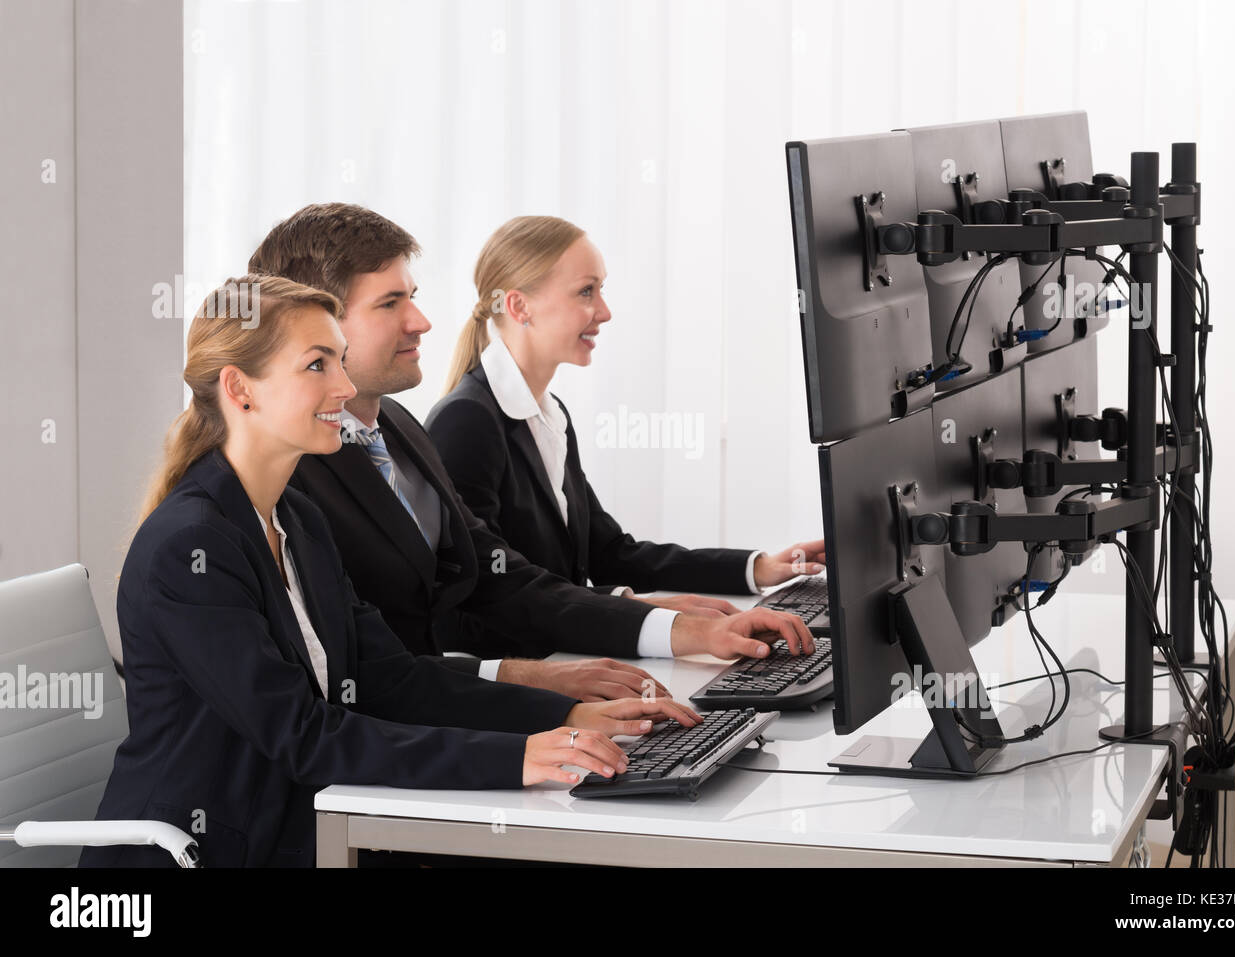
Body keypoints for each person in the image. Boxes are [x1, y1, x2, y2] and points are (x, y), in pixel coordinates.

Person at [80, 276, 697, 868]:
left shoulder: (297, 517)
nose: (346, 387)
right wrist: (517, 757)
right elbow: (305, 736)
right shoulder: (191, 550)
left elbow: (391, 680)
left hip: (298, 827)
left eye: (342, 361)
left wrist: (557, 717)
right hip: (207, 852)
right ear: (241, 389)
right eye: (318, 364)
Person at [247, 203, 814, 668]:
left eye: (412, 297)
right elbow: (417, 637)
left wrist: (680, 626)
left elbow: (514, 575)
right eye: (391, 303)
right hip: (404, 735)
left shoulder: (400, 429)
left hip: (447, 709)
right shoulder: (293, 469)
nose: (421, 321)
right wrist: (537, 685)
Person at [424, 215, 827, 659]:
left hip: (569, 657)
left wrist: (757, 567)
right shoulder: (466, 421)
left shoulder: (547, 414)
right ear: (520, 307)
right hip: (520, 689)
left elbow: (610, 554)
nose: (605, 311)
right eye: (586, 291)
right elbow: (487, 598)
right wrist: (651, 615)